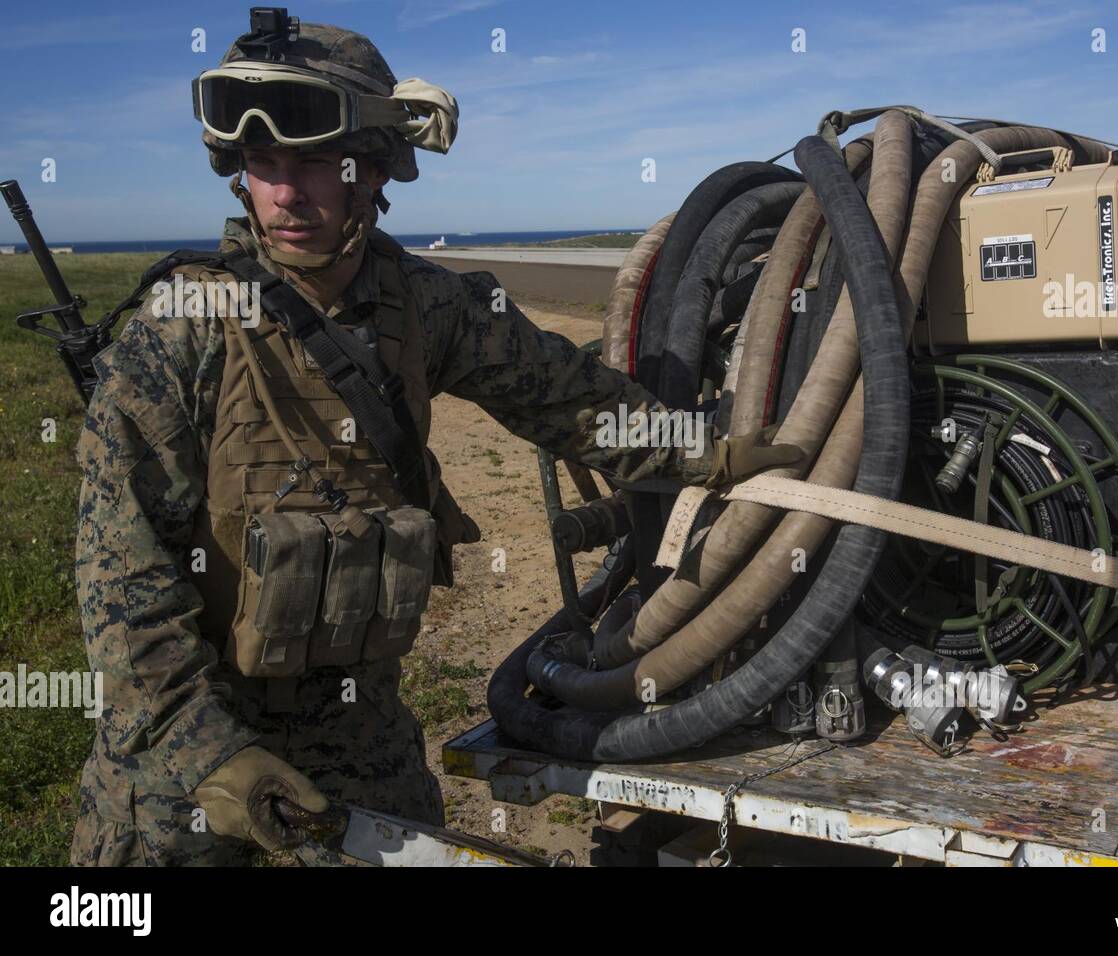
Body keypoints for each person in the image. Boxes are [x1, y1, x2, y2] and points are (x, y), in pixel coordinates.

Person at [70, 10, 798, 866]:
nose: (283, 191)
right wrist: (206, 753)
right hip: (184, 734)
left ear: (371, 169)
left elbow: (570, 401)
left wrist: (705, 451)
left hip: (352, 721)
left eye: (310, 160)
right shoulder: (181, 328)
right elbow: (122, 583)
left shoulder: (425, 307)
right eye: (262, 165)